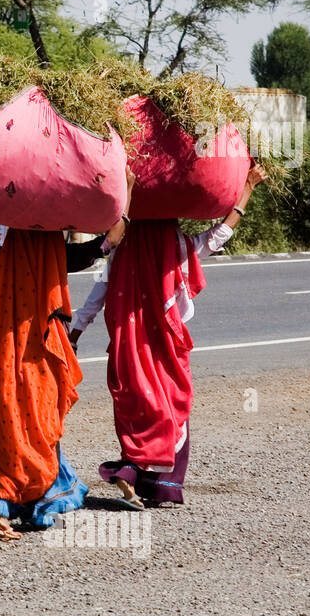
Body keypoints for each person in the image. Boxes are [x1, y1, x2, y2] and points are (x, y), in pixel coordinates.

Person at [69, 165, 267, 509]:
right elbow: (217, 237)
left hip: (127, 347)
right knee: (172, 409)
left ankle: (131, 471)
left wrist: (75, 331)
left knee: (137, 410)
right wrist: (247, 187)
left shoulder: (122, 244)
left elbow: (97, 293)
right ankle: (159, 485)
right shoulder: (176, 243)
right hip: (164, 350)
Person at [0, 170, 136, 540]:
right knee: (39, 426)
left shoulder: (4, 254)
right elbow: (106, 244)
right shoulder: (58, 253)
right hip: (40, 357)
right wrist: (125, 191)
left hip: (1, 354)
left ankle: (5, 501)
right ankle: (23, 501)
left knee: (11, 424)